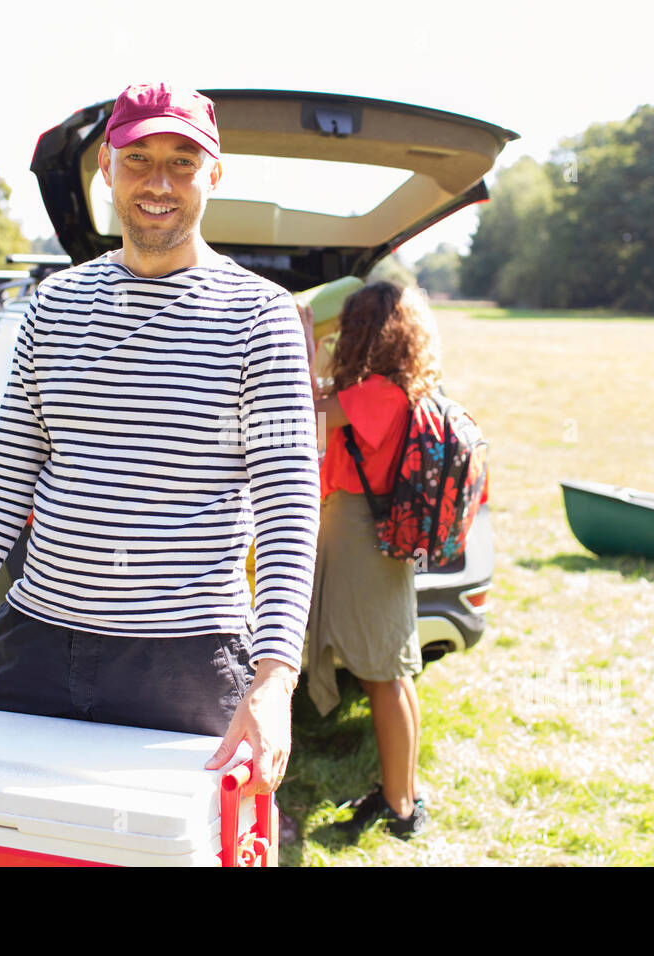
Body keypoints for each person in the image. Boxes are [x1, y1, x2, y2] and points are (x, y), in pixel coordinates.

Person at [0, 82, 320, 797]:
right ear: (106, 168)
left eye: (182, 161)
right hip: (37, 643)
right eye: (139, 159)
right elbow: (2, 479)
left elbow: (291, 507)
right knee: (16, 837)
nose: (159, 183)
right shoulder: (53, 305)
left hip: (189, 664)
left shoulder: (260, 317)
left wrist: (274, 681)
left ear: (215, 174)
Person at [297, 280, 440, 838]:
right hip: (374, 535)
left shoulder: (378, 393)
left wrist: (305, 345)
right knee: (394, 672)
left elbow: (305, 410)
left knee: (384, 674)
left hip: (362, 535)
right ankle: (402, 793)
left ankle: (402, 808)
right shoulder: (390, 387)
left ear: (364, 333)